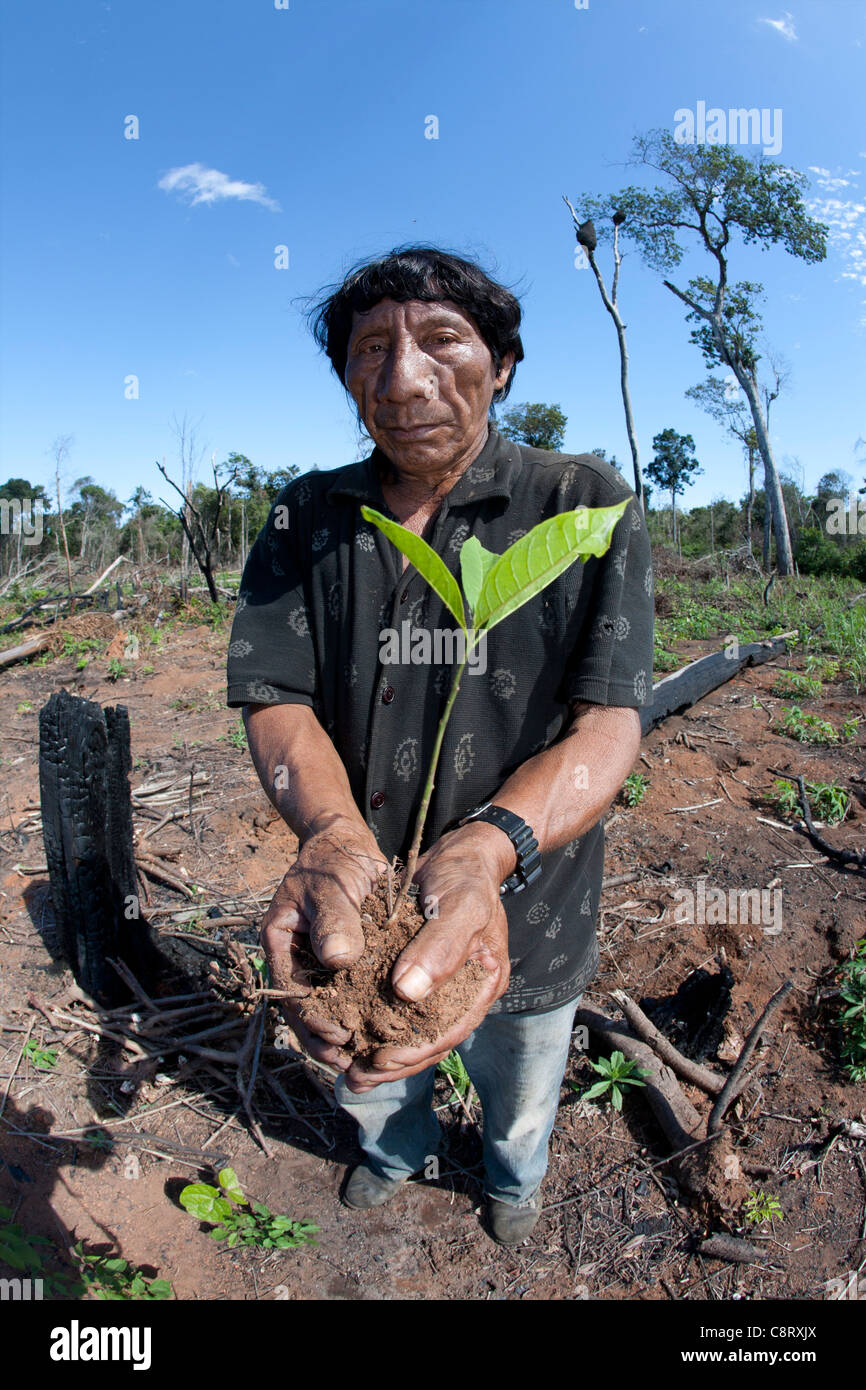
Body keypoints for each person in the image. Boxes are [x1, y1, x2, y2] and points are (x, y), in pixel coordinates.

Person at [225, 246, 653, 1244]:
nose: (403, 378)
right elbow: (275, 697)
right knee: (365, 1056)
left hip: (532, 896)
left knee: (522, 1072)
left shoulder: (579, 504)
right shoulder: (308, 515)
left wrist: (485, 845)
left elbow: (610, 716)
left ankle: (511, 1179)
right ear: (344, 377)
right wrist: (329, 830)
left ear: (501, 363)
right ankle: (392, 1149)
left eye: (440, 341)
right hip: (358, 894)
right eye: (369, 349)